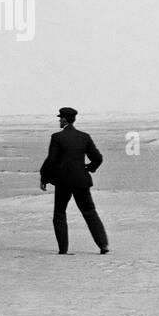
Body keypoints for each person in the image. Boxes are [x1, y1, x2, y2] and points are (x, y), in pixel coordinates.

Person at [40, 106, 109, 255]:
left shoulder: (57, 137)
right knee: (90, 212)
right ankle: (103, 245)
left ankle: (63, 250)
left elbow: (51, 160)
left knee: (59, 213)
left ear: (64, 119)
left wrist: (44, 177)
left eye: (60, 118)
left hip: (63, 181)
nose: (59, 120)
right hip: (81, 181)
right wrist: (90, 168)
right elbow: (98, 158)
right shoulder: (84, 137)